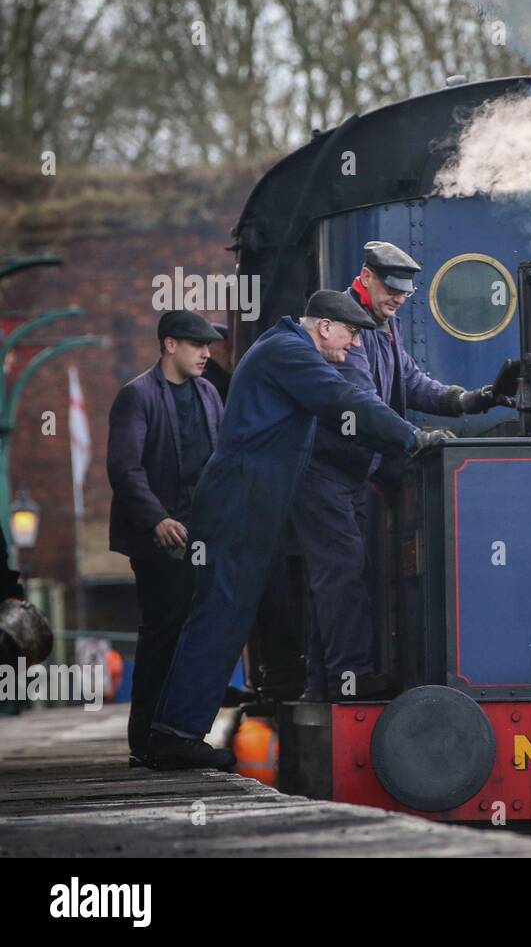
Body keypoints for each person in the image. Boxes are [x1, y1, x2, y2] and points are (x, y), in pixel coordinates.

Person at [145, 290, 447, 770]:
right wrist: (412, 436)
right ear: (325, 326)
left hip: (248, 501)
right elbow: (343, 398)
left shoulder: (282, 348)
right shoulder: (289, 352)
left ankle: (168, 733)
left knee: (223, 613)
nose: (349, 349)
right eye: (348, 337)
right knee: (221, 614)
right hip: (239, 501)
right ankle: (176, 735)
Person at [293, 241, 505, 702]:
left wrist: (467, 399)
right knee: (343, 572)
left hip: (349, 473)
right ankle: (347, 681)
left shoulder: (384, 325)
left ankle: (324, 682)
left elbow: (409, 380)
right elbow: (363, 400)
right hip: (326, 472)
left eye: (405, 292)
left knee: (337, 575)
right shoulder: (347, 326)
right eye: (391, 288)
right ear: (366, 276)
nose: (398, 297)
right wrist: (415, 436)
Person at [107, 310, 224, 763]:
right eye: (198, 345)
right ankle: (147, 742)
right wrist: (157, 519)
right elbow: (124, 468)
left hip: (203, 534)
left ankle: (177, 736)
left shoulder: (210, 393)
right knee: (162, 633)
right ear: (170, 345)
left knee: (196, 634)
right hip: (158, 540)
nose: (207, 353)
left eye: (209, 345)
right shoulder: (136, 396)